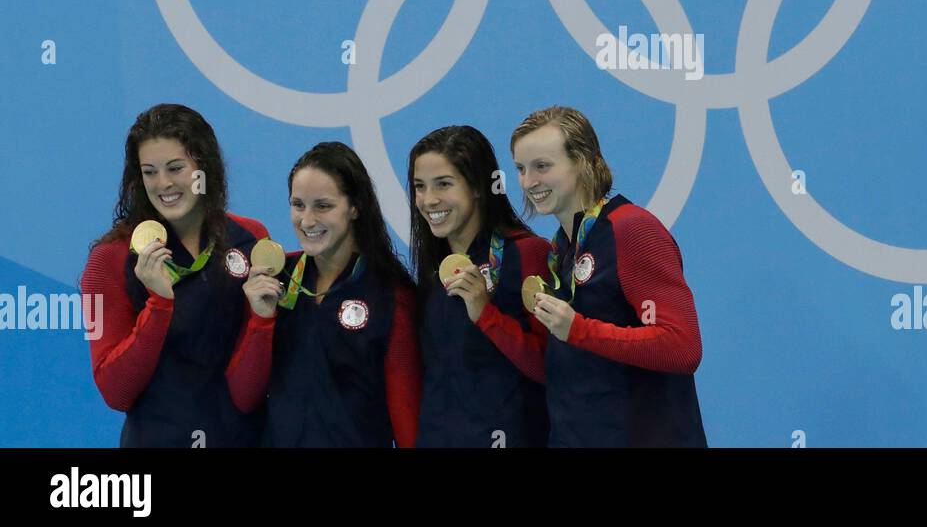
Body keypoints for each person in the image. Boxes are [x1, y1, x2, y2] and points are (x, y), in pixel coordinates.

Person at [510, 106, 707, 447]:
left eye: (542, 166)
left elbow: (683, 348)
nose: (529, 182)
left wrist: (580, 330)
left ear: (582, 161)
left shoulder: (631, 229)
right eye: (520, 169)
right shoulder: (560, 249)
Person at [81, 103, 269, 447]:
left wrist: (263, 320)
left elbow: (251, 389)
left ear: (204, 168)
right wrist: (159, 306)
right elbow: (115, 392)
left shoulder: (251, 239)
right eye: (149, 171)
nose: (163, 183)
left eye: (175, 168)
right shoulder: (107, 261)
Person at [226, 141, 420, 447]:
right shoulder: (275, 278)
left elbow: (407, 420)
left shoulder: (391, 296)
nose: (307, 220)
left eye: (323, 206)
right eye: (298, 204)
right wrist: (260, 322)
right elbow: (243, 396)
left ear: (355, 206)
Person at [410, 125, 550, 447]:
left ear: (476, 186)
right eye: (420, 186)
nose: (429, 200)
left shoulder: (527, 253)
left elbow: (550, 367)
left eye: (443, 184)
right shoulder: (432, 270)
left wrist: (487, 314)